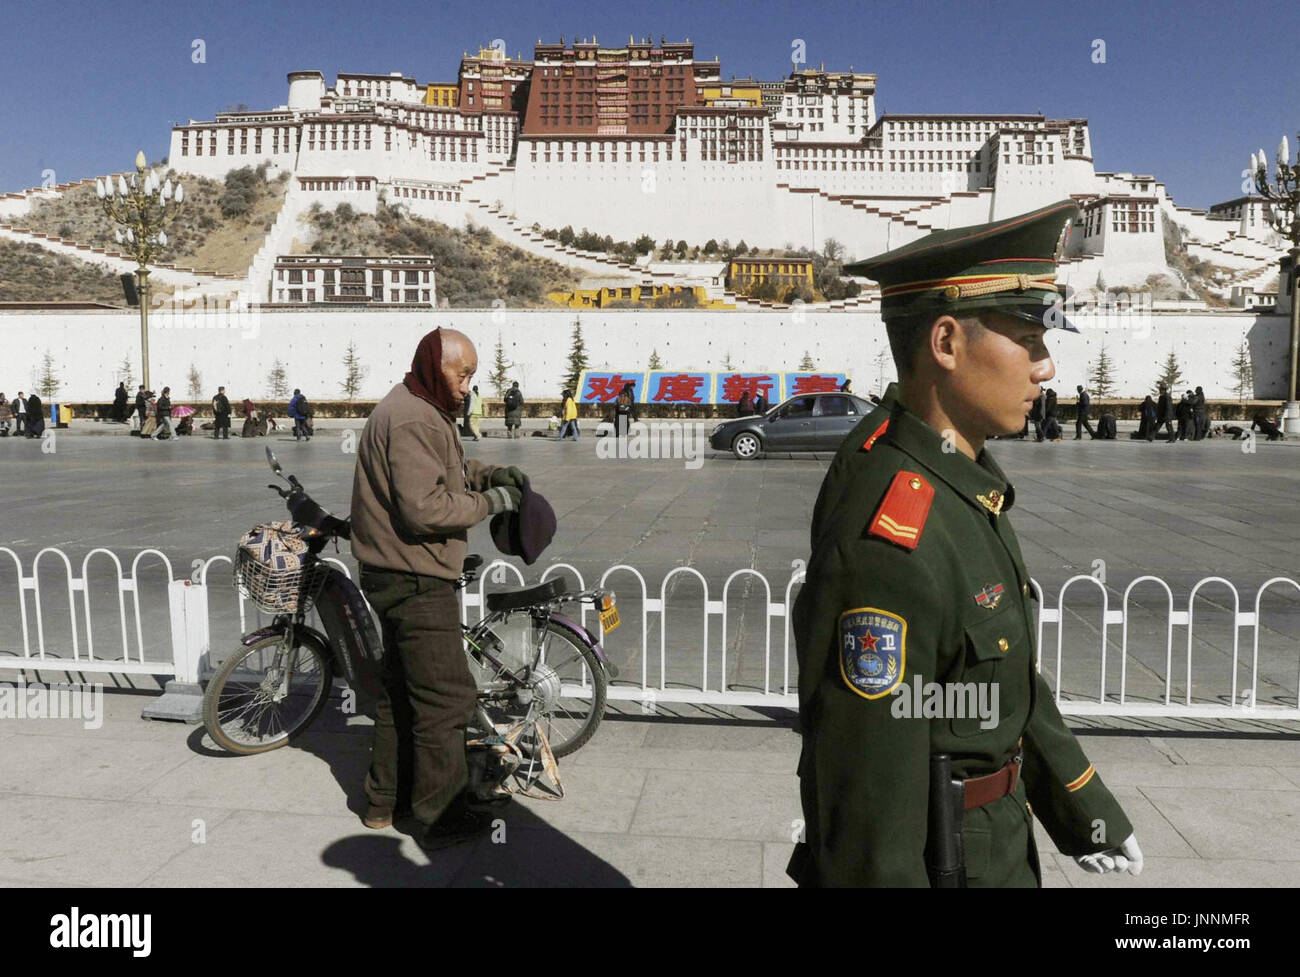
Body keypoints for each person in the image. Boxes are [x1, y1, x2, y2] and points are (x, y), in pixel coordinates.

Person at [790, 200, 1142, 888]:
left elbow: (1002, 686)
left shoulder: (960, 482)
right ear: (946, 343)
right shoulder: (892, 536)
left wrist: (1085, 811)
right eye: (1030, 340)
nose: (1044, 368)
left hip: (994, 843)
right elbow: (868, 807)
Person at [350, 327, 526, 850]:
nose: (468, 384)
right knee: (447, 701)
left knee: (401, 695)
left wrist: (489, 472)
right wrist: (494, 503)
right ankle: (439, 816)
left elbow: (447, 469)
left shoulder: (422, 407)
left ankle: (384, 803)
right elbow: (426, 507)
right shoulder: (410, 417)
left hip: (395, 572)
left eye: (472, 374)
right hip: (414, 576)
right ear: (434, 365)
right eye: (461, 373)